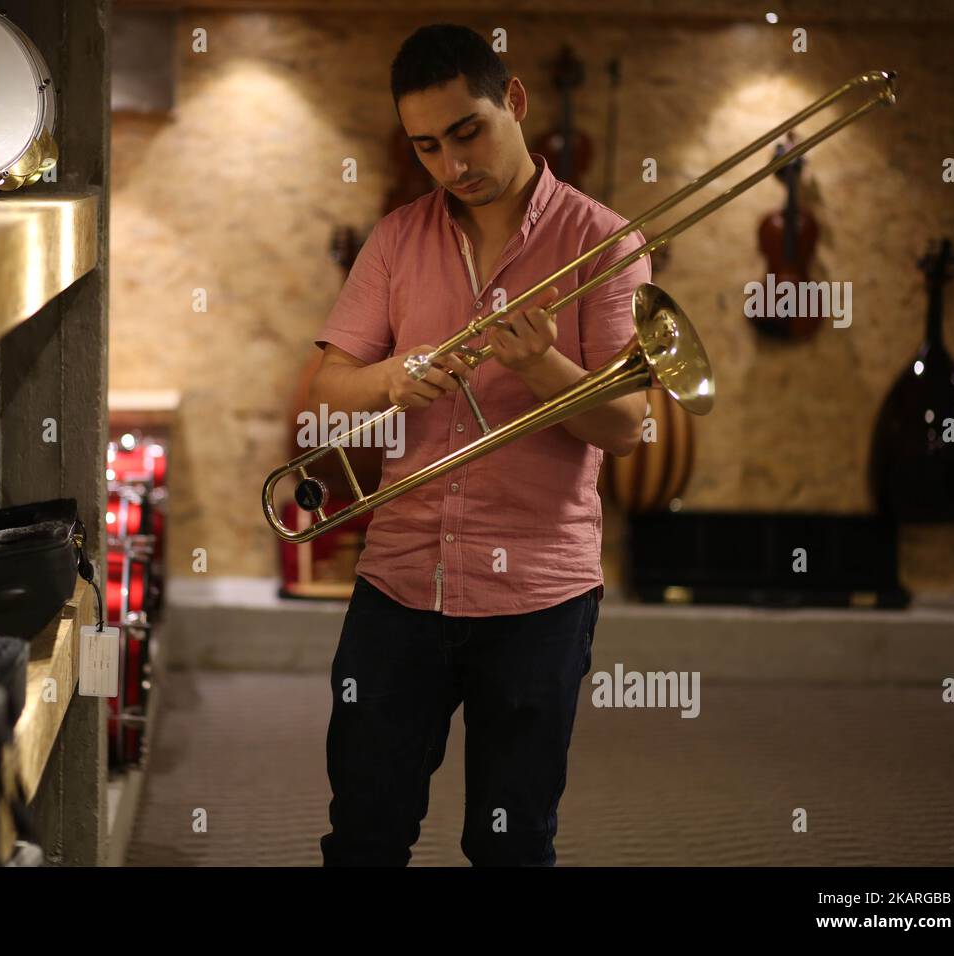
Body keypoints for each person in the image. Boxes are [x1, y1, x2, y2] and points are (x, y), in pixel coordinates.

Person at [310, 23, 648, 866]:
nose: (452, 165)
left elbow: (626, 428)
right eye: (426, 146)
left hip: (539, 595)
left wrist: (541, 365)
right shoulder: (396, 238)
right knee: (365, 831)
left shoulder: (606, 243)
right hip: (401, 578)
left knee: (513, 843)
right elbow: (326, 387)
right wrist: (391, 378)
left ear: (515, 102)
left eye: (468, 132)